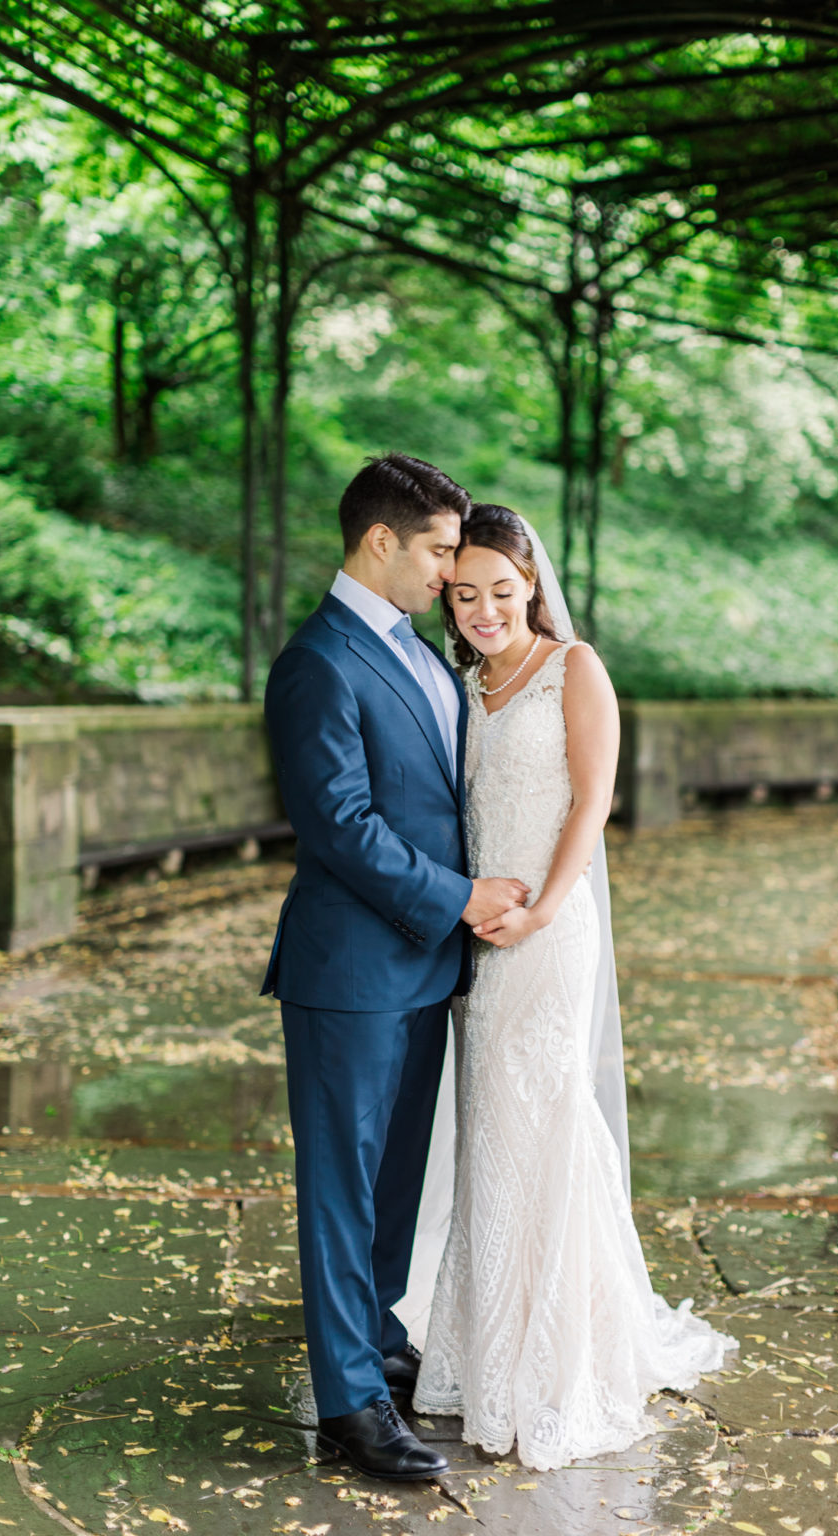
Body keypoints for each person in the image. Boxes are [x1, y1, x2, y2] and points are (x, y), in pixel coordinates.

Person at [411, 504, 738, 1471]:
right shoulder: (468, 682)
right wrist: (473, 908)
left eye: (500, 593)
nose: (481, 611)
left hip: (550, 931)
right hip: (484, 927)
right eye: (463, 595)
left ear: (532, 586)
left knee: (541, 1114)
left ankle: (557, 1357)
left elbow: (593, 798)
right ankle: (487, 1344)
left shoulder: (572, 668)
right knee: (495, 1126)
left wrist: (544, 909)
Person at [261, 457, 528, 1482]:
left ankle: (373, 1338)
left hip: (423, 969)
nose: (449, 569)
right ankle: (348, 1405)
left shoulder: (419, 651)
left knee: (394, 1184)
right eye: (435, 549)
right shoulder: (317, 662)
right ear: (380, 541)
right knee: (341, 1189)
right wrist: (456, 899)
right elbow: (337, 827)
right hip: (348, 972)